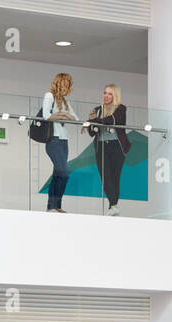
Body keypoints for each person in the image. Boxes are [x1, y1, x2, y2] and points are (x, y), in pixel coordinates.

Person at [84, 83, 131, 216]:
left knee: (115, 177)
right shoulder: (97, 109)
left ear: (115, 95)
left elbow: (113, 120)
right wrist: (90, 123)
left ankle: (112, 206)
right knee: (105, 177)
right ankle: (114, 205)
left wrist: (93, 121)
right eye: (105, 93)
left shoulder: (121, 109)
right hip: (102, 145)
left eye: (110, 93)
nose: (106, 96)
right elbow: (92, 133)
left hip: (117, 146)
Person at [41, 73, 79, 213]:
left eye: (68, 85)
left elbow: (75, 118)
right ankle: (52, 206)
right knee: (64, 173)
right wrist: (63, 115)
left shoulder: (64, 101)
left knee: (58, 173)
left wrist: (64, 115)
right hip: (53, 140)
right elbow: (46, 115)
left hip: (64, 140)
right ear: (58, 83)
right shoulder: (49, 96)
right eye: (64, 84)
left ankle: (55, 206)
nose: (66, 87)